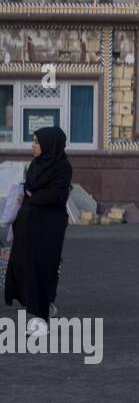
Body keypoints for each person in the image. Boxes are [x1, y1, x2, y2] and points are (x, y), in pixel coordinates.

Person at [3, 126, 72, 336]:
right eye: (33, 141)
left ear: (49, 145)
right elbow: (28, 190)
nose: (33, 146)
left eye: (37, 142)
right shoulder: (35, 165)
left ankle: (40, 316)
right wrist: (30, 194)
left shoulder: (62, 167)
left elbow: (58, 196)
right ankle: (40, 305)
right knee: (23, 267)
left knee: (42, 269)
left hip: (48, 228)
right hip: (27, 227)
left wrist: (34, 196)